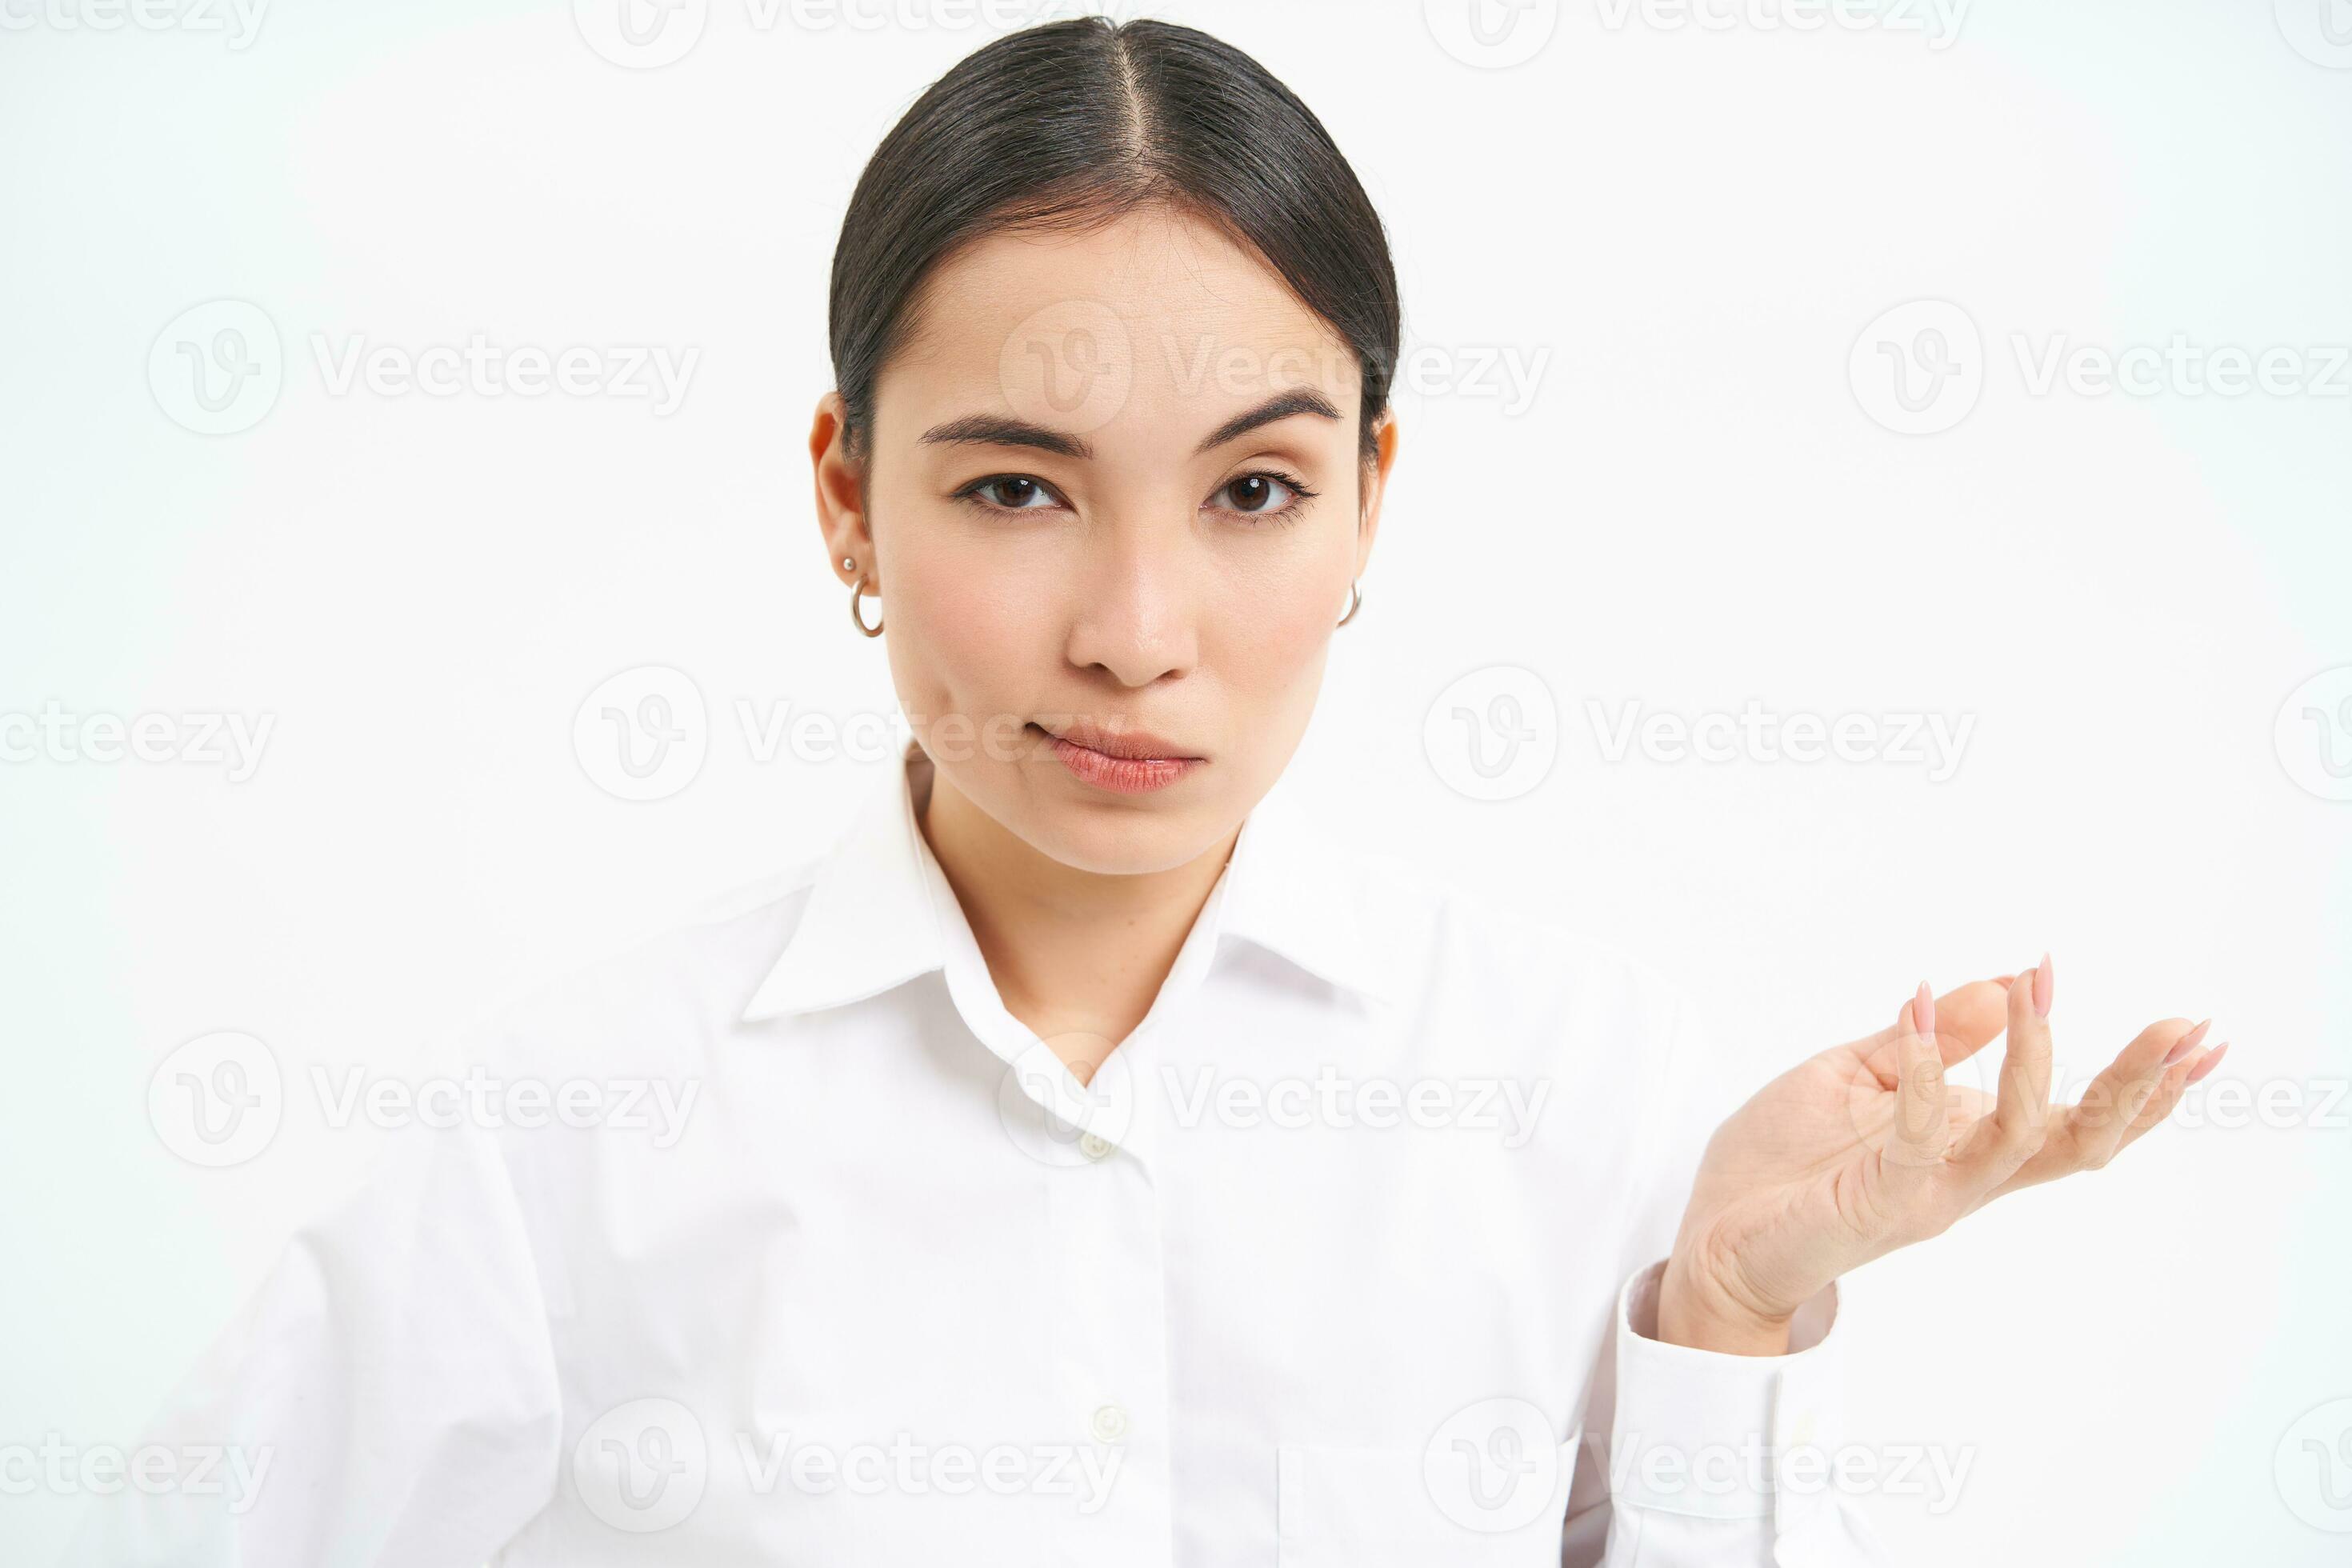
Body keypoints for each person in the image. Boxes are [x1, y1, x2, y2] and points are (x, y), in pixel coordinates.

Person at [72, 15, 2223, 1566]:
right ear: (844, 496)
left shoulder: (1578, 1089)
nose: (1131, 627)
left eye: (1254, 489)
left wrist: (1725, 1322)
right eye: (1014, 485)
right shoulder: (567, 1134)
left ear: (1370, 502)